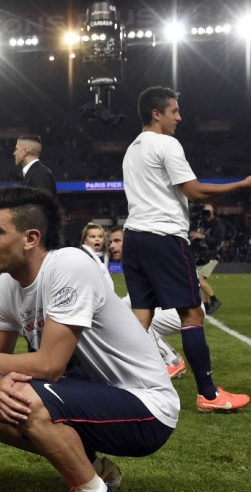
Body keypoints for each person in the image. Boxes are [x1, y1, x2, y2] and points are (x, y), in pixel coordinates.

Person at [0, 186, 180, 492]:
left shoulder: (68, 264)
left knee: (27, 398)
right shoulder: (7, 284)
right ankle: (95, 471)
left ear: (30, 238)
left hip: (145, 405)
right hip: (88, 399)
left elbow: (48, 366)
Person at [122, 85, 251, 411]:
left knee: (141, 318)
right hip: (163, 237)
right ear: (157, 113)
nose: (179, 117)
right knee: (193, 313)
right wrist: (242, 185)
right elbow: (194, 192)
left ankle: (127, 386)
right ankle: (209, 395)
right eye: (174, 111)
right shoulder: (166, 143)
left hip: (133, 237)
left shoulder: (132, 148)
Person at [108, 226, 187, 380]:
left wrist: (112, 308)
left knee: (136, 322)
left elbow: (140, 300)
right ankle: (171, 358)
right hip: (174, 307)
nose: (112, 246)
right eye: (110, 242)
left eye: (117, 241)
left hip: (180, 310)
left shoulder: (142, 260)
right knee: (136, 318)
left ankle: (173, 362)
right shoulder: (138, 259)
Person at [188, 203, 226, 314]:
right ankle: (206, 305)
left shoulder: (219, 225)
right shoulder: (202, 223)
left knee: (199, 279)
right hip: (202, 256)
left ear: (214, 212)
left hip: (213, 255)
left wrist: (202, 236)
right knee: (200, 280)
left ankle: (214, 300)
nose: (205, 213)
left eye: (208, 211)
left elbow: (217, 242)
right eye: (204, 210)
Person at [14, 134, 58, 199]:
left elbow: (42, 206)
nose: (14, 153)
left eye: (16, 149)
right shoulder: (34, 173)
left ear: (25, 151)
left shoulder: (40, 174)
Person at [79, 223, 112, 288]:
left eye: (100, 236)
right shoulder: (82, 256)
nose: (97, 239)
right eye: (93, 237)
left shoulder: (105, 258)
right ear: (85, 241)